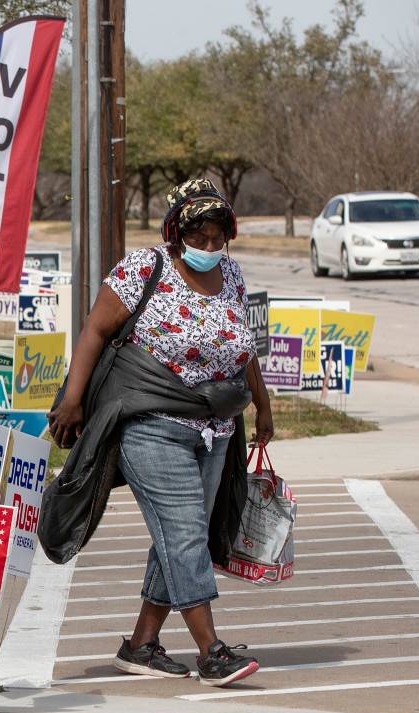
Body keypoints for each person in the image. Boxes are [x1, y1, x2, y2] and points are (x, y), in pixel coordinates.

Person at [43, 178, 273, 687]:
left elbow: (244, 346)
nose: (210, 248)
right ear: (177, 232)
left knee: (176, 536)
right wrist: (73, 399)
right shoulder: (144, 269)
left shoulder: (230, 274)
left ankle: (142, 643)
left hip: (215, 429)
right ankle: (211, 651)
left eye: (219, 238)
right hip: (150, 425)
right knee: (186, 532)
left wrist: (263, 404)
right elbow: (95, 331)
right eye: (201, 237)